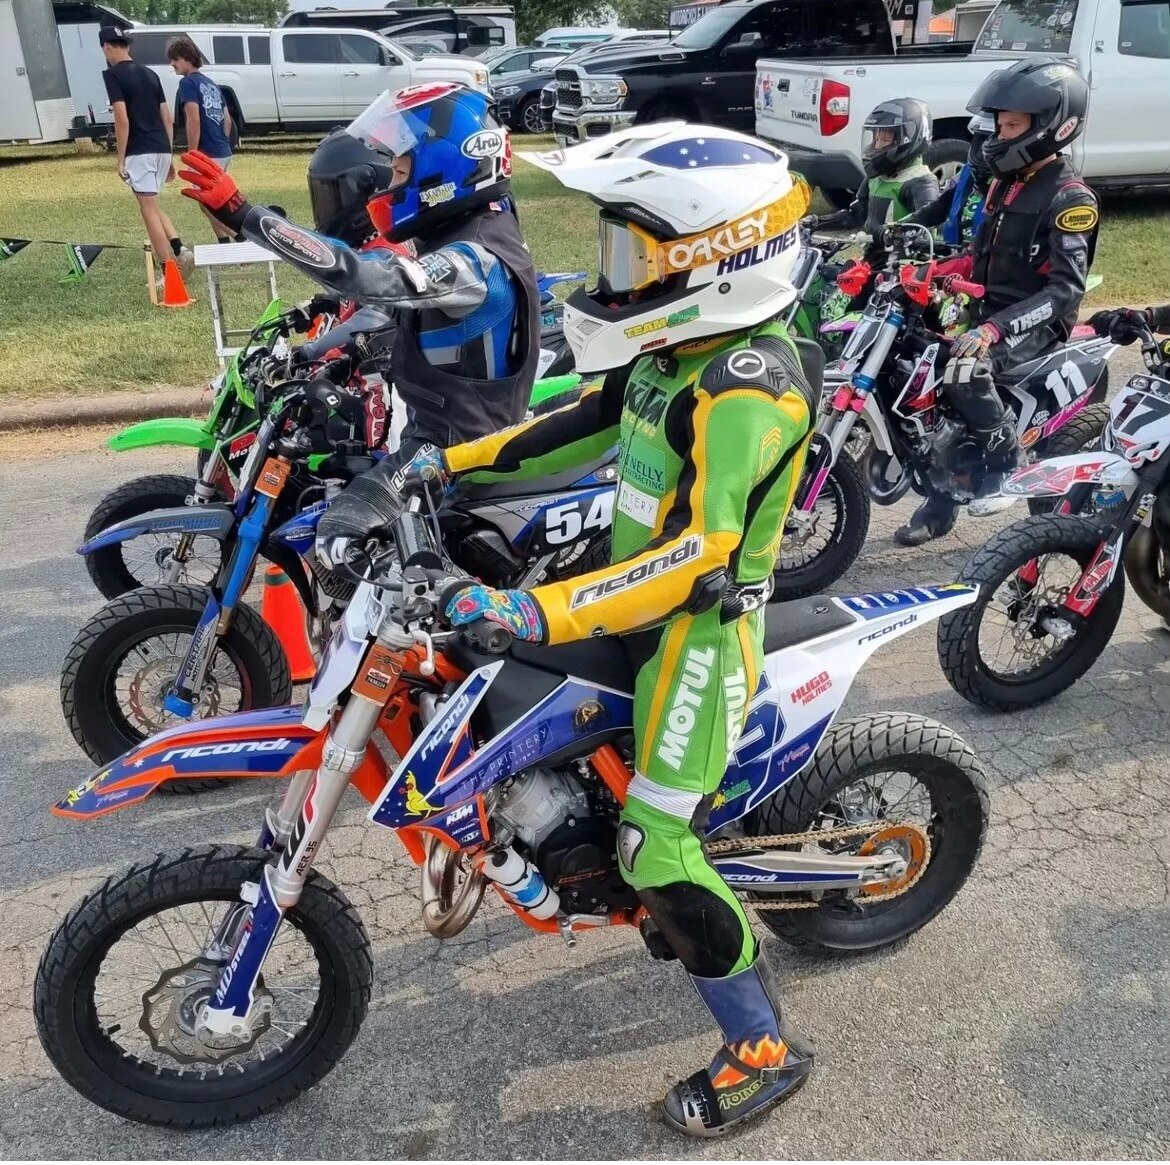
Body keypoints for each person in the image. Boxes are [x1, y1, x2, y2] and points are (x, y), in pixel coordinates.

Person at [320, 124, 819, 1137]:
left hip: (694, 637)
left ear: (715, 258)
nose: (611, 269)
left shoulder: (746, 389)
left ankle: (762, 1048)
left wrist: (529, 608)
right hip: (626, 608)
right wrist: (442, 466)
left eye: (633, 250)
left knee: (653, 846)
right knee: (497, 703)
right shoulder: (673, 355)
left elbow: (698, 554)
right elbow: (572, 425)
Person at [180, 84, 539, 458]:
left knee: (348, 501)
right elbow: (396, 319)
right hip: (435, 438)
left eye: (399, 172)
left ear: (441, 173)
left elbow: (370, 278)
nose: (388, 186)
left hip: (463, 455)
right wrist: (343, 357)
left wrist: (246, 216)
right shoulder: (466, 231)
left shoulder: (473, 260)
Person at [895, 60, 1099, 546]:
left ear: (1052, 126)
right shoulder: (1004, 183)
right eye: (1000, 125)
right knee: (916, 365)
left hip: (1034, 319)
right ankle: (944, 487)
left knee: (966, 373)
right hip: (986, 309)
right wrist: (930, 271)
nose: (998, 137)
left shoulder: (1071, 198)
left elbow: (1065, 291)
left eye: (1011, 127)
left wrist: (995, 329)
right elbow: (979, 256)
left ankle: (1007, 464)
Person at [99, 25, 192, 280]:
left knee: (147, 211)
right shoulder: (151, 74)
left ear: (106, 47)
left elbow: (122, 119)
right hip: (161, 146)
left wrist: (120, 158)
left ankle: (169, 270)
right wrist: (169, 155)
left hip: (139, 150)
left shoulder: (112, 75)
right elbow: (167, 118)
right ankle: (179, 248)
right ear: (126, 45)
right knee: (150, 203)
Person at [804, 98, 939, 245]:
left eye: (885, 140)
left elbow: (926, 232)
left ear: (909, 139)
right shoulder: (877, 176)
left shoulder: (921, 182)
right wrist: (816, 223)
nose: (878, 146)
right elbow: (856, 214)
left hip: (901, 259)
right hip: (874, 255)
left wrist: (893, 235)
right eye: (876, 139)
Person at [166, 37, 234, 243]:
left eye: (175, 59)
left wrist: (192, 154)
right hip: (222, 150)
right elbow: (227, 121)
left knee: (207, 203)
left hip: (206, 154)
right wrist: (222, 142)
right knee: (213, 200)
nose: (172, 63)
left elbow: (193, 119)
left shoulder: (187, 83)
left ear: (187, 58)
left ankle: (238, 237)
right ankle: (225, 243)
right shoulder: (211, 83)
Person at [907, 111, 994, 247]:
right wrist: (905, 226)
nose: (984, 150)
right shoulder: (968, 172)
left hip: (988, 258)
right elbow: (942, 205)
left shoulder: (1016, 184)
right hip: (957, 255)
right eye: (982, 140)